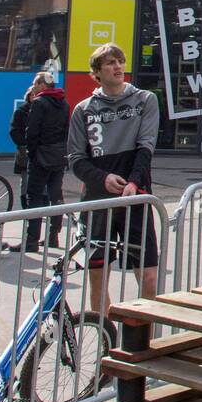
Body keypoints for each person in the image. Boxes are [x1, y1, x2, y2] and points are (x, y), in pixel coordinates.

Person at [66, 44, 161, 314]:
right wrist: (102, 178)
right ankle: (103, 344)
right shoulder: (83, 109)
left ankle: (142, 343)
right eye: (110, 63)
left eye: (120, 61)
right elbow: (75, 158)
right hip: (97, 203)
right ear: (96, 72)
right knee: (98, 280)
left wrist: (133, 182)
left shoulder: (145, 100)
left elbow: (146, 146)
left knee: (149, 278)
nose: (118, 67)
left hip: (136, 198)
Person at [23, 71, 68, 252]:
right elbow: (67, 130)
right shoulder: (64, 103)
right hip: (59, 156)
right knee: (55, 196)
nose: (33, 87)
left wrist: (32, 153)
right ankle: (53, 237)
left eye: (35, 83)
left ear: (42, 85)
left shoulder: (39, 103)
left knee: (34, 196)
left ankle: (32, 240)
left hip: (41, 156)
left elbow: (32, 131)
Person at [9, 86, 34, 209]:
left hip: (40, 151)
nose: (34, 97)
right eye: (32, 95)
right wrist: (23, 144)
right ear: (28, 96)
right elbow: (14, 131)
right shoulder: (21, 112)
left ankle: (37, 206)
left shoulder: (44, 109)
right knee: (25, 180)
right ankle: (25, 207)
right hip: (25, 152)